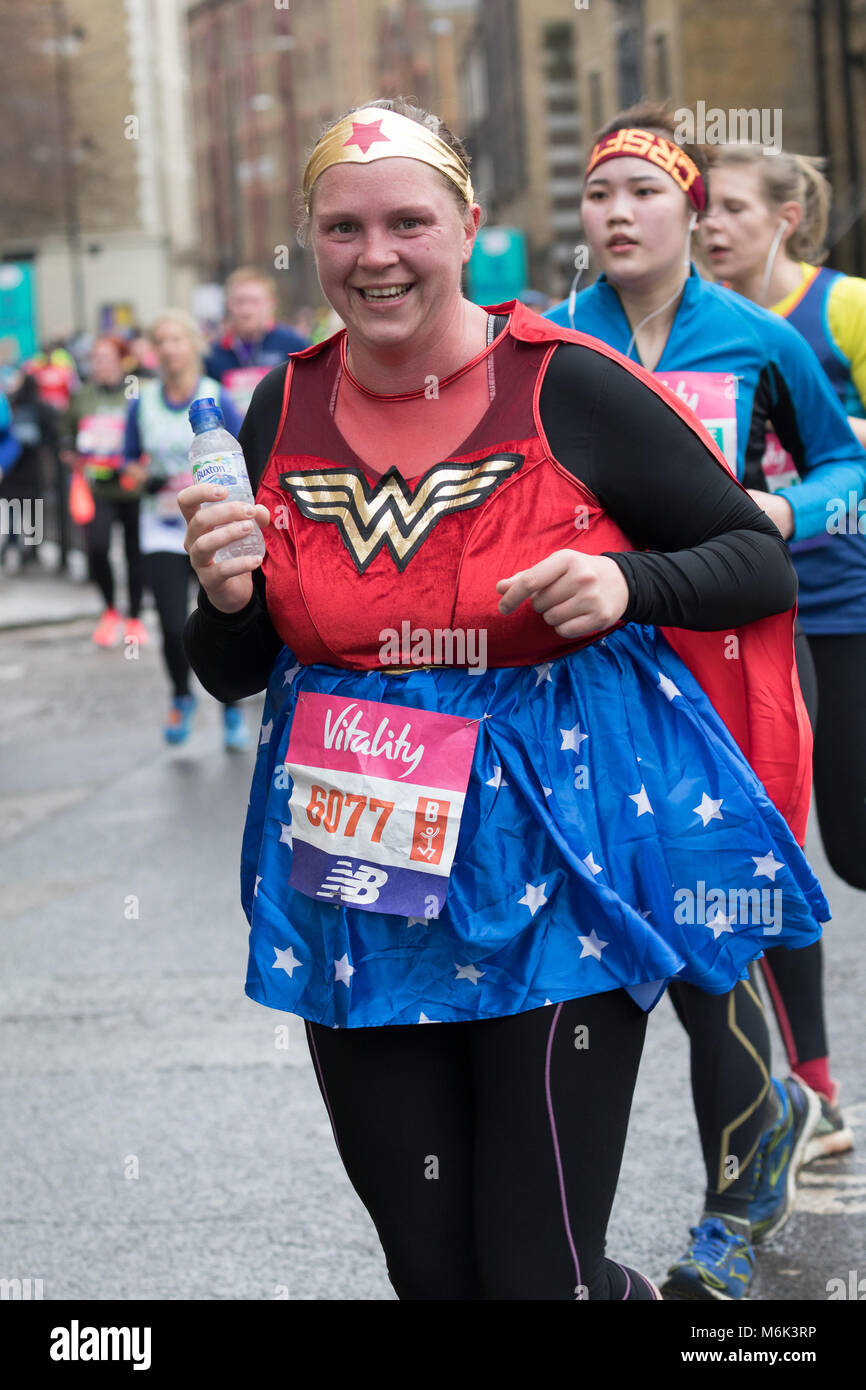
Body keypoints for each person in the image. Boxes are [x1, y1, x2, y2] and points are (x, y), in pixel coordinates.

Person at [180, 97, 828, 1302]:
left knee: (535, 1276)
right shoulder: (279, 407)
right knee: (433, 1273)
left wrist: (624, 580)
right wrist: (222, 595)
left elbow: (753, 558)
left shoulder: (568, 384)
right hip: (356, 884)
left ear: (468, 226)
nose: (375, 256)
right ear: (312, 239)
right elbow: (232, 664)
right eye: (343, 228)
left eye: (407, 222)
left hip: (551, 881)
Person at [544, 103, 866, 1300]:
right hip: (587, 671)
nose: (617, 215)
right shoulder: (545, 341)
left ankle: (732, 1204)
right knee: (609, 937)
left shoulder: (757, 339)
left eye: (643, 193)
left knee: (707, 921)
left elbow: (847, 463)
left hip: (728, 657)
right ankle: (579, 1230)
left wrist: (786, 512)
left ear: (689, 211)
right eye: (597, 196)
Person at [120, 309, 250, 750]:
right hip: (161, 528)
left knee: (225, 614)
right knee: (174, 624)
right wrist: (141, 477)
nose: (170, 349)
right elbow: (127, 462)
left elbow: (241, 457)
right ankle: (181, 696)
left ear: (194, 343)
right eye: (161, 341)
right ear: (153, 352)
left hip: (212, 526)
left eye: (177, 339)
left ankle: (230, 705)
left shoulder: (217, 396)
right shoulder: (143, 402)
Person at [61, 336, 146, 646]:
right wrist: (69, 452)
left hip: (132, 488)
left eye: (108, 357)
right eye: (96, 358)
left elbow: (146, 431)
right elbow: (66, 433)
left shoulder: (136, 392)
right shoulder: (82, 395)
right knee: (97, 548)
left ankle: (135, 618)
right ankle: (110, 611)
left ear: (121, 360)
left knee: (135, 553)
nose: (101, 364)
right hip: (96, 487)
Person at [204, 267, 310, 418]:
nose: (246, 310)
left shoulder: (295, 346)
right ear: (228, 304)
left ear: (271, 304)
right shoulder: (213, 354)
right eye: (239, 302)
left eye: (255, 301)